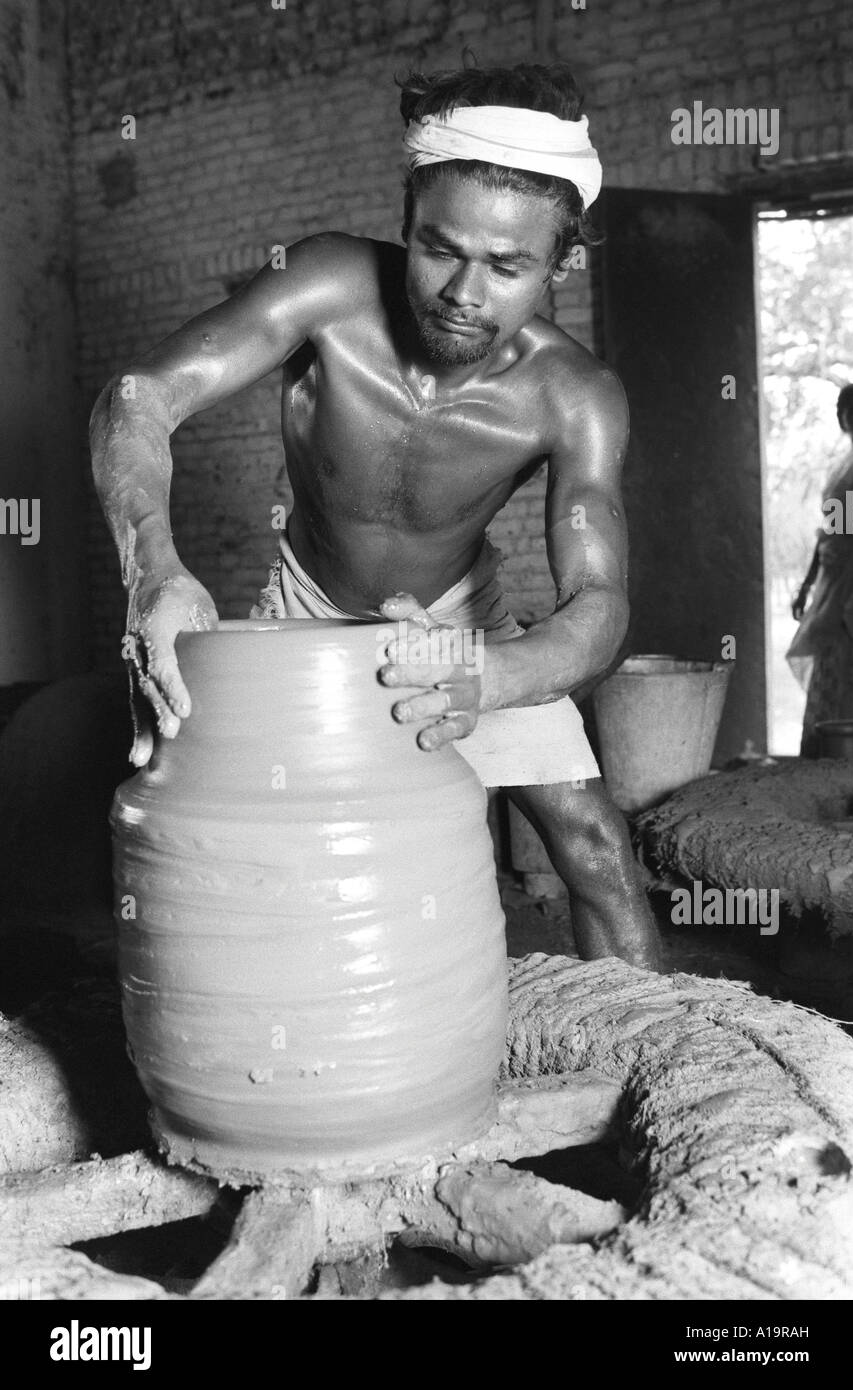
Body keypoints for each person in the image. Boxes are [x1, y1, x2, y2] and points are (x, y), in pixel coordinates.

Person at [90, 60, 661, 970]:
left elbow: (599, 605)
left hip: (459, 628)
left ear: (561, 261)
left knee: (593, 845)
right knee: (237, 854)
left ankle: (662, 1064)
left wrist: (500, 673)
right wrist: (153, 568)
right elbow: (138, 397)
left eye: (508, 266)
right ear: (405, 222)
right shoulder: (327, 284)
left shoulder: (575, 394)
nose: (463, 294)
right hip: (304, 608)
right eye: (442, 249)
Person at [788, 384, 853, 756]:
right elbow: (830, 530)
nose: (852, 417)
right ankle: (828, 756)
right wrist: (807, 583)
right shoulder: (843, 465)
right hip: (836, 575)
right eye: (846, 410)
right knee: (832, 656)